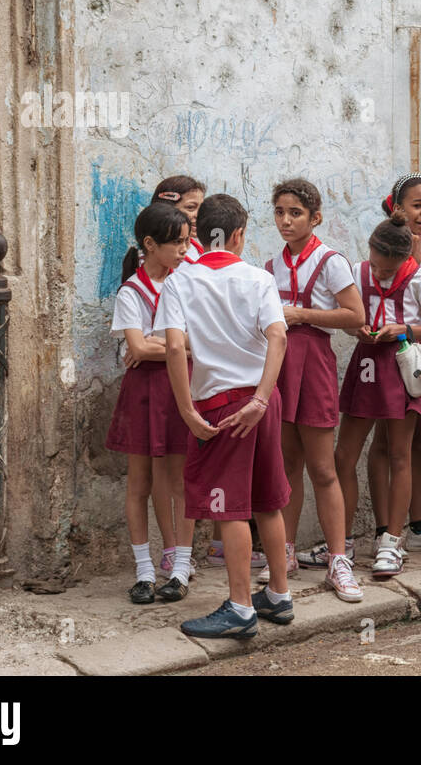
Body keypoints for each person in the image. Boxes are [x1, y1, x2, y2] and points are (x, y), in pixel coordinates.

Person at [155, 194, 293, 639]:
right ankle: (278, 592)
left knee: (228, 508)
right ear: (237, 235)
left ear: (198, 233)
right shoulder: (258, 278)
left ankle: (239, 607)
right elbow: (278, 338)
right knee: (266, 501)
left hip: (218, 407)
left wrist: (187, 411)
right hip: (259, 402)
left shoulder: (180, 281)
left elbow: (174, 346)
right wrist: (261, 398)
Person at [260, 179, 365, 602]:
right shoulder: (270, 265)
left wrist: (302, 313)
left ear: (314, 217)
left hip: (314, 362)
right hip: (279, 361)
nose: (286, 221)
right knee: (286, 463)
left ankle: (339, 559)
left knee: (323, 467)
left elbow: (355, 316)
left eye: (296, 213)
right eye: (280, 212)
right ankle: (283, 552)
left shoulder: (331, 261)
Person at [334, 216, 421, 578]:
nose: (381, 274)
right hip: (367, 364)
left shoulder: (420, 277)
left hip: (402, 368)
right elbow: (350, 316)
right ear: (368, 251)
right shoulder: (357, 270)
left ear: (403, 260)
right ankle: (344, 540)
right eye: (377, 265)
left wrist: (404, 329)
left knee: (400, 454)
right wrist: (358, 329)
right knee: (343, 455)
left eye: (389, 268)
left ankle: (392, 541)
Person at [106, 202, 193, 604]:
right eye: (176, 242)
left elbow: (191, 342)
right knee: (139, 481)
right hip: (144, 392)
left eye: (188, 239)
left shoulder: (186, 282)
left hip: (179, 387)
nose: (184, 248)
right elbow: (136, 345)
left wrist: (159, 345)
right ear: (149, 244)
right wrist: (172, 345)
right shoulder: (132, 291)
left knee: (178, 480)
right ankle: (143, 568)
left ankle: (179, 566)